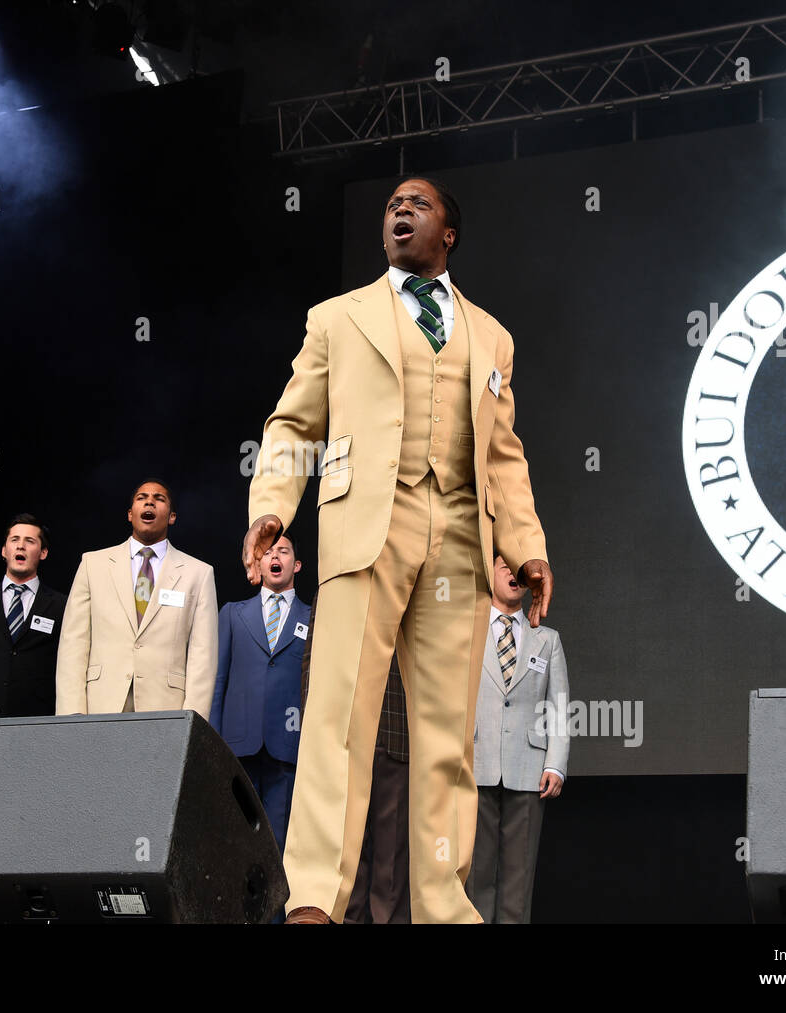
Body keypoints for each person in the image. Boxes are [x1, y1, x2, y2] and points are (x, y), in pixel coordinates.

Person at [242, 176, 553, 923]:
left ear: (450, 232)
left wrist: (527, 545)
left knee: (448, 735)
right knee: (338, 715)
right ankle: (314, 894)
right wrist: (272, 504)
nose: (399, 210)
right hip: (365, 524)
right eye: (390, 205)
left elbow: (504, 457)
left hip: (458, 538)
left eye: (418, 203)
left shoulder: (492, 336)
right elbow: (292, 425)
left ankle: (445, 904)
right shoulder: (337, 318)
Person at [56, 480, 218, 717]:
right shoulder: (93, 564)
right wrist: (71, 716)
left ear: (172, 517)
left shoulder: (198, 573)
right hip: (100, 705)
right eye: (142, 497)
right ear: (131, 514)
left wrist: (192, 721)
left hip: (166, 709)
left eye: (159, 498)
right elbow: (73, 644)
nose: (150, 501)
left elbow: (203, 654)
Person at [466, 555, 568, 923]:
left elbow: (557, 705)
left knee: (518, 879)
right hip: (476, 765)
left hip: (529, 768)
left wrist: (555, 763)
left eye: (518, 568)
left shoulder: (547, 640)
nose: (511, 572)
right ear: (488, 571)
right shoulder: (468, 632)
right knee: (476, 876)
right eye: (503, 565)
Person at [299, 592, 412, 924]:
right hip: (343, 735)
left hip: (396, 727)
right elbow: (313, 657)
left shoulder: (411, 575)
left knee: (390, 867)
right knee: (346, 863)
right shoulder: (336, 580)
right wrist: (312, 730)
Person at [210, 534, 311, 852]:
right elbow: (218, 680)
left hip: (288, 745)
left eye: (283, 551)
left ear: (295, 565)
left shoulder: (313, 617)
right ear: (259, 563)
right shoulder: (232, 613)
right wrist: (214, 742)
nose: (275, 556)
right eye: (267, 552)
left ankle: (276, 904)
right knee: (236, 837)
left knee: (279, 839)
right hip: (239, 745)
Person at [0, 514, 65, 719]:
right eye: (14, 540)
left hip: (37, 718)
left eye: (30, 541)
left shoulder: (61, 605)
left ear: (43, 552)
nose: (21, 546)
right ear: (4, 550)